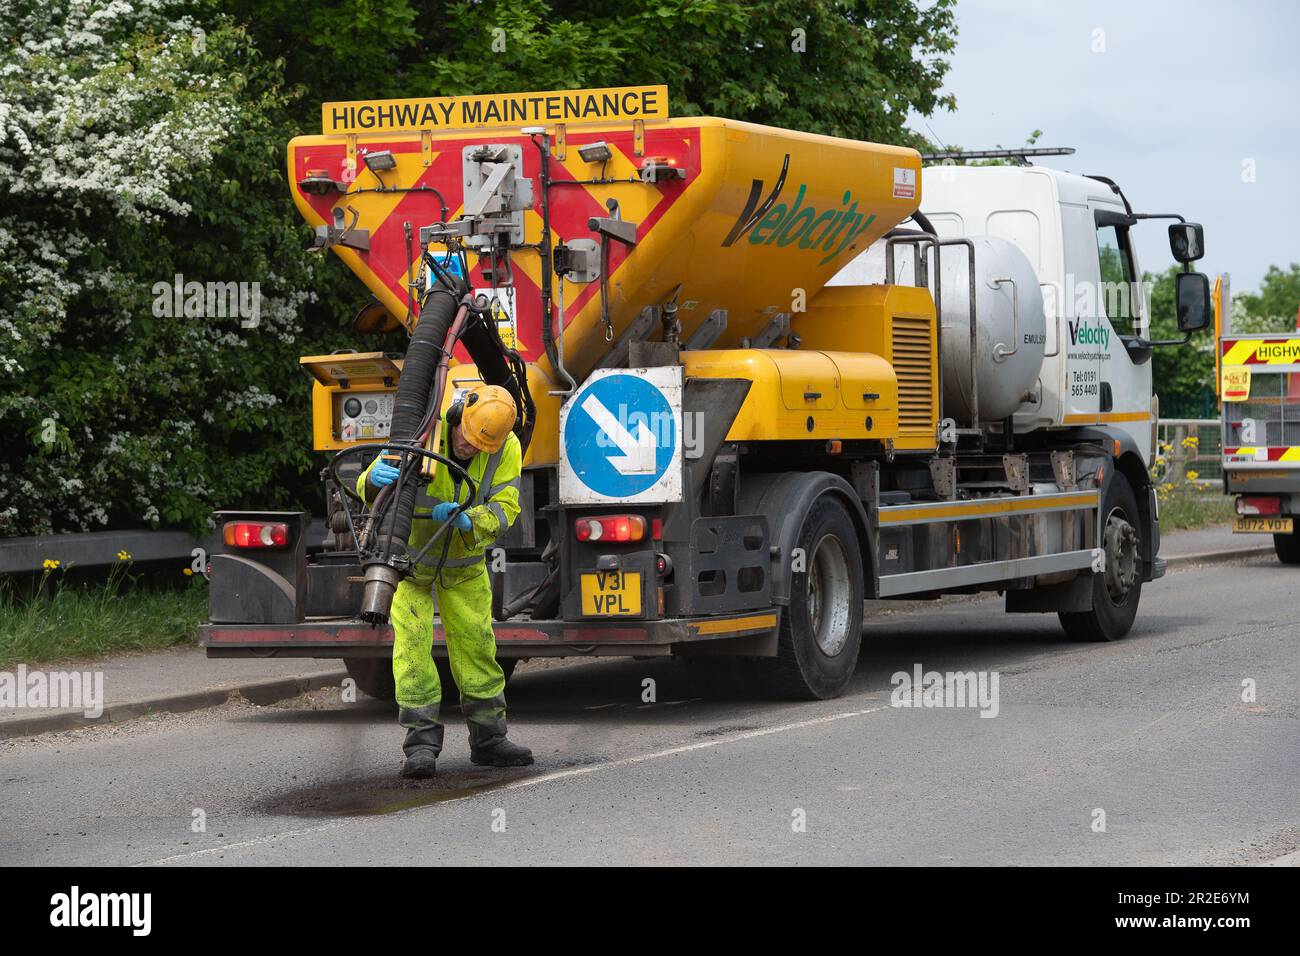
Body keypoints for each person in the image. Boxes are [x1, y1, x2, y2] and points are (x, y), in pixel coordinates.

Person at [358, 385, 532, 778]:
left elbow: (506, 508)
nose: (469, 449)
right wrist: (372, 480)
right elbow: (368, 485)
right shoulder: (421, 429)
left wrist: (474, 520)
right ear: (457, 418)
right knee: (413, 650)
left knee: (477, 647)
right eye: (466, 440)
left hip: (463, 566)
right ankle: (420, 745)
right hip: (411, 564)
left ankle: (489, 739)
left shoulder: (505, 448)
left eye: (479, 447)